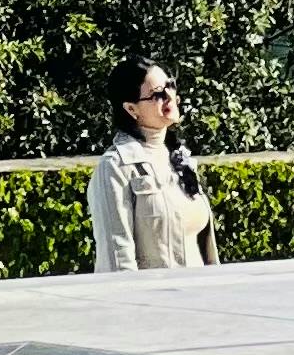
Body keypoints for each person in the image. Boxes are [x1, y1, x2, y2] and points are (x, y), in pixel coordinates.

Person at [88, 55, 219, 271]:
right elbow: (117, 259)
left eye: (170, 86)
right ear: (131, 109)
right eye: (157, 94)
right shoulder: (115, 167)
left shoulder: (180, 158)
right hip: (156, 292)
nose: (169, 96)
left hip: (200, 289)